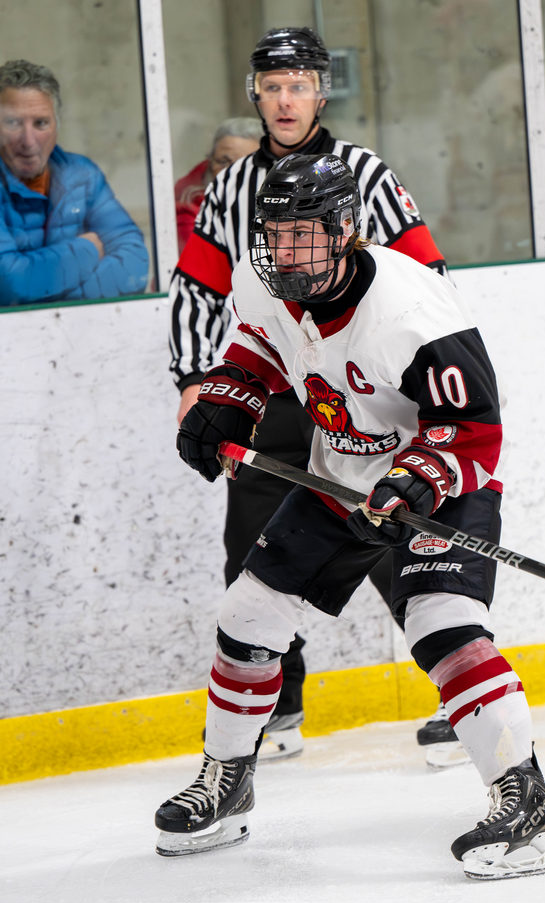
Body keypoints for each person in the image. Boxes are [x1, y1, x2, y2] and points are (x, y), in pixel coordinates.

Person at [154, 153, 545, 880]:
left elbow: (474, 427)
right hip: (339, 473)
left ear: (346, 228)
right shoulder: (267, 279)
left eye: (302, 236)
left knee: (439, 621)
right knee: (248, 614)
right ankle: (227, 781)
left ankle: (529, 807)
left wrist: (418, 478)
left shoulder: (415, 312)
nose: (284, 252)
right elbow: (259, 345)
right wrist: (229, 397)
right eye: (274, 234)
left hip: (438, 483)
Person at [168, 26, 454, 760]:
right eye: (273, 86)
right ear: (255, 95)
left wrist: (427, 390)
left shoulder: (365, 172)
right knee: (255, 552)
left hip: (362, 391)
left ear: (321, 92)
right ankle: (276, 708)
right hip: (271, 388)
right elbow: (197, 288)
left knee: (397, 538)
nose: (286, 99)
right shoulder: (231, 187)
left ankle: (456, 691)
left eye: (299, 85)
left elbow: (426, 276)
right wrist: (196, 381)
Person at [0, 59, 148, 315]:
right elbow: (10, 289)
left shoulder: (82, 174)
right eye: (13, 123)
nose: (28, 140)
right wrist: (88, 249)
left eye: (41, 123)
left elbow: (136, 265)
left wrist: (48, 294)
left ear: (57, 125)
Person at [174, 117, 262, 254]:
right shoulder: (188, 202)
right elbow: (200, 260)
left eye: (245, 165)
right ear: (209, 161)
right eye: (223, 161)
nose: (231, 173)